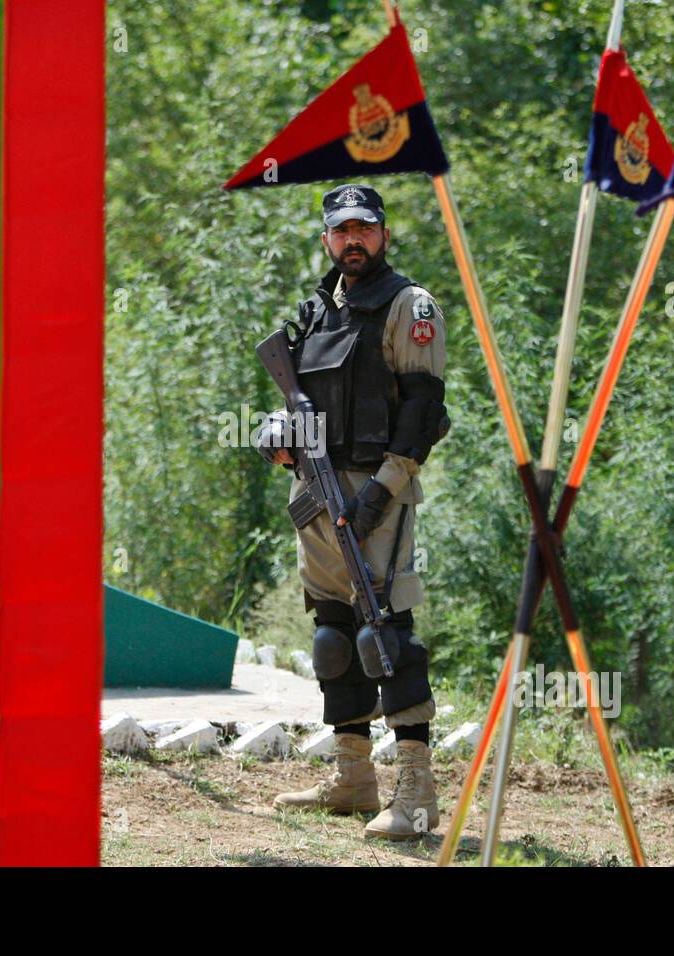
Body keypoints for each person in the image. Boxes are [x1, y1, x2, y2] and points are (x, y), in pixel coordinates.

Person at [256, 183, 450, 840]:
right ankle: (352, 777)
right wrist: (277, 434)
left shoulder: (408, 305)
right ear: (327, 240)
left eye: (364, 229)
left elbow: (424, 413)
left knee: (385, 632)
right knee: (334, 637)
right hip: (314, 495)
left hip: (377, 496)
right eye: (341, 231)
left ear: (384, 235)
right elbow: (300, 399)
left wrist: (381, 493)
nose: (353, 241)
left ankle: (417, 793)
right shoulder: (314, 310)